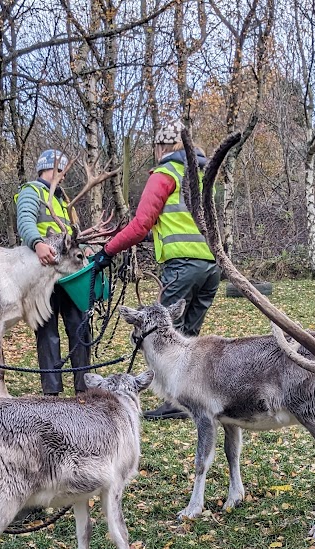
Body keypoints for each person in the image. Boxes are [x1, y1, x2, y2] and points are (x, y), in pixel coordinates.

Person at [93, 120, 221, 420]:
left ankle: (167, 400)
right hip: (211, 267)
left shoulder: (165, 174)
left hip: (182, 266)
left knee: (158, 335)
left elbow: (140, 225)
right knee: (187, 337)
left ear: (161, 147)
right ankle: (184, 401)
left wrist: (108, 250)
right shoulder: (202, 174)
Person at [15, 149, 91, 395]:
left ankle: (84, 387)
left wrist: (85, 249)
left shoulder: (62, 200)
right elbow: (24, 221)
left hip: (69, 277)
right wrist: (37, 243)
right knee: (47, 332)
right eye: (62, 170)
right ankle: (52, 392)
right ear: (49, 168)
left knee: (80, 327)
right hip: (43, 276)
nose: (64, 177)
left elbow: (72, 237)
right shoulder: (31, 191)